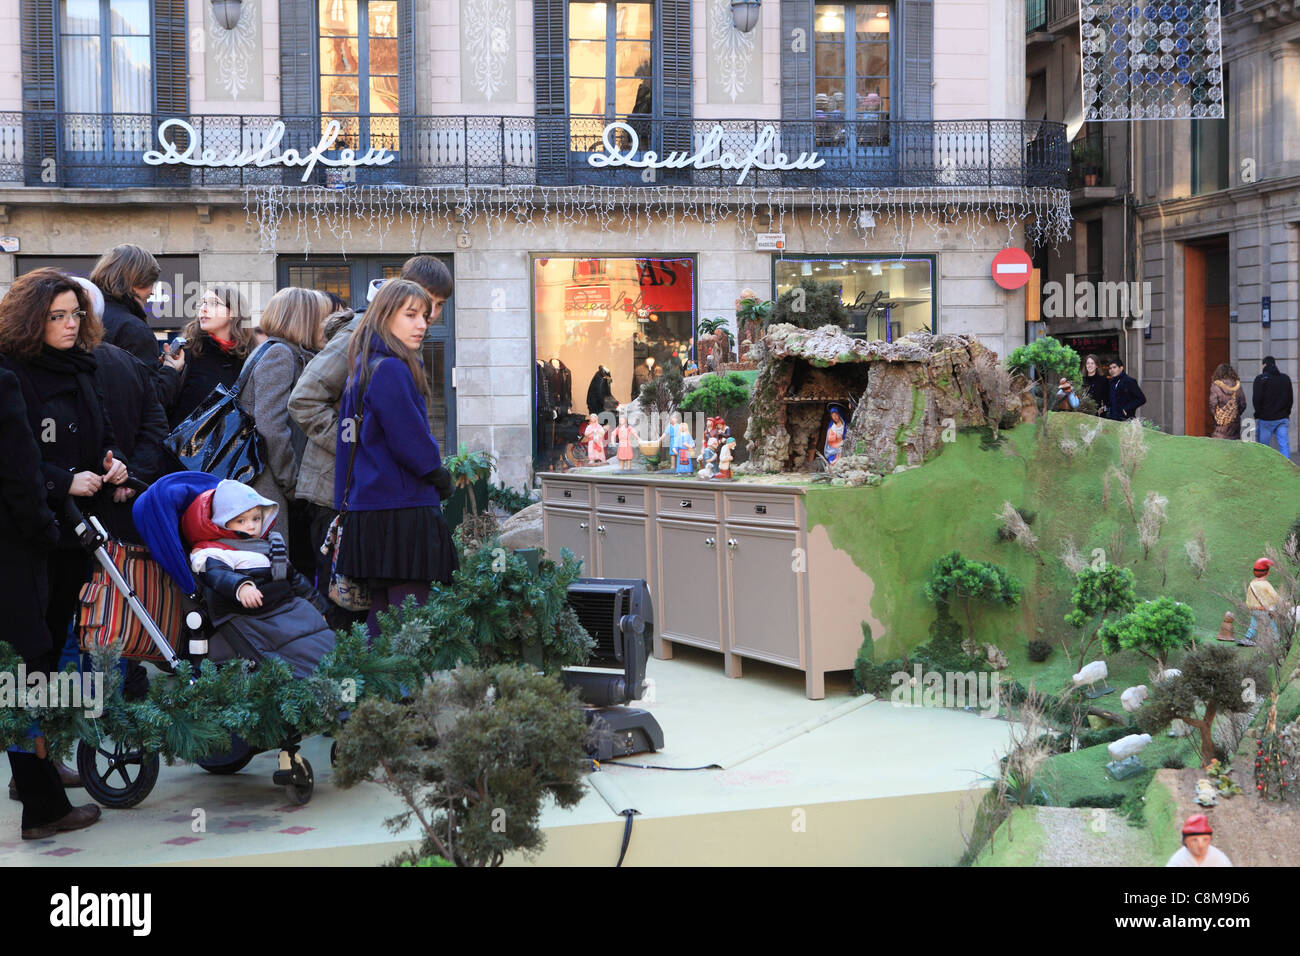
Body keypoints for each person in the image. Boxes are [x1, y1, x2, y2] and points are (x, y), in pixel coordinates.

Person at [289, 257, 453, 620]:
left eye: (436, 307)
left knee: (371, 616)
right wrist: (364, 450)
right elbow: (304, 399)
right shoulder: (362, 336)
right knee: (354, 616)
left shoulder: (398, 347)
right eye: (419, 307)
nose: (429, 318)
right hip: (342, 491)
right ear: (393, 302)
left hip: (369, 493)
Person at [1, 364, 102, 839]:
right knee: (23, 672)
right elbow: (19, 470)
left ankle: (39, 788)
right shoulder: (5, 379)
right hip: (13, 548)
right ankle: (44, 806)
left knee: (19, 673)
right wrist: (44, 528)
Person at [334, 279, 458, 639]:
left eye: (425, 315)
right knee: (409, 622)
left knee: (382, 616)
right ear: (386, 316)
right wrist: (439, 475)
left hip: (369, 507)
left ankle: (377, 692)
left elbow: (347, 440)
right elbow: (409, 440)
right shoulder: (389, 368)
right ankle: (407, 694)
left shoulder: (362, 365)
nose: (423, 323)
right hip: (401, 508)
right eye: (411, 315)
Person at [180, 479, 335, 679]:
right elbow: (217, 574)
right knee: (292, 653)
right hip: (251, 614)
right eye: (241, 521)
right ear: (222, 522)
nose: (252, 527)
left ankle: (340, 680)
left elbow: (294, 578)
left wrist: (316, 605)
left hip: (287, 606)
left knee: (320, 639)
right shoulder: (213, 551)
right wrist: (241, 586)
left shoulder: (267, 545)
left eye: (256, 518)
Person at [238, 287, 327, 573]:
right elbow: (270, 426)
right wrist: (292, 482)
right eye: (320, 318)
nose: (324, 326)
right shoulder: (280, 354)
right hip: (268, 483)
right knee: (273, 573)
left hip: (263, 480)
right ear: (305, 319)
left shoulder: (270, 351)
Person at [89, 243, 183, 408]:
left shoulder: (84, 316)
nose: (153, 292)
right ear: (135, 282)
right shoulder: (133, 329)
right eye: (151, 283)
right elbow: (151, 401)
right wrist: (170, 369)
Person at [167, 285, 256, 427]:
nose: (203, 308)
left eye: (214, 303)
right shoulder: (188, 352)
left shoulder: (249, 358)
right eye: (202, 303)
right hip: (180, 446)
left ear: (233, 312)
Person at [1253, 355, 1293, 460]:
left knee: (1263, 447)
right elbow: (1290, 399)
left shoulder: (1260, 379)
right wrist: (1286, 413)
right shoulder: (1285, 378)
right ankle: (1287, 469)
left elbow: (1256, 400)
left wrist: (1258, 414)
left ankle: (1265, 468)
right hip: (1282, 418)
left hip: (1266, 419)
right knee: (1284, 445)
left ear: (1264, 365)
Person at [1241, 557, 1282, 647]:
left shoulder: (1252, 583)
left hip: (1253, 609)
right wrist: (1283, 603)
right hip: (1263, 610)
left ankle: (1247, 638)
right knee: (1271, 623)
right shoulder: (1265, 584)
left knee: (1254, 624)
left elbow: (1248, 597)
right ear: (1266, 572)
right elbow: (1275, 596)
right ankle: (1276, 639)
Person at [1166, 814, 1232, 867]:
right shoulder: (1178, 861)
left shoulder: (1220, 860)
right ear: (1186, 841)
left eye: (1205, 840)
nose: (1200, 846)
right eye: (1194, 840)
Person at [1209, 363, 1247, 440]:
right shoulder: (1237, 386)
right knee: (1234, 444)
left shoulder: (1216, 386)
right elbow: (1243, 404)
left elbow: (1212, 404)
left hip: (1220, 423)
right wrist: (1235, 414)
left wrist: (1217, 417)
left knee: (1219, 444)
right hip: (1234, 423)